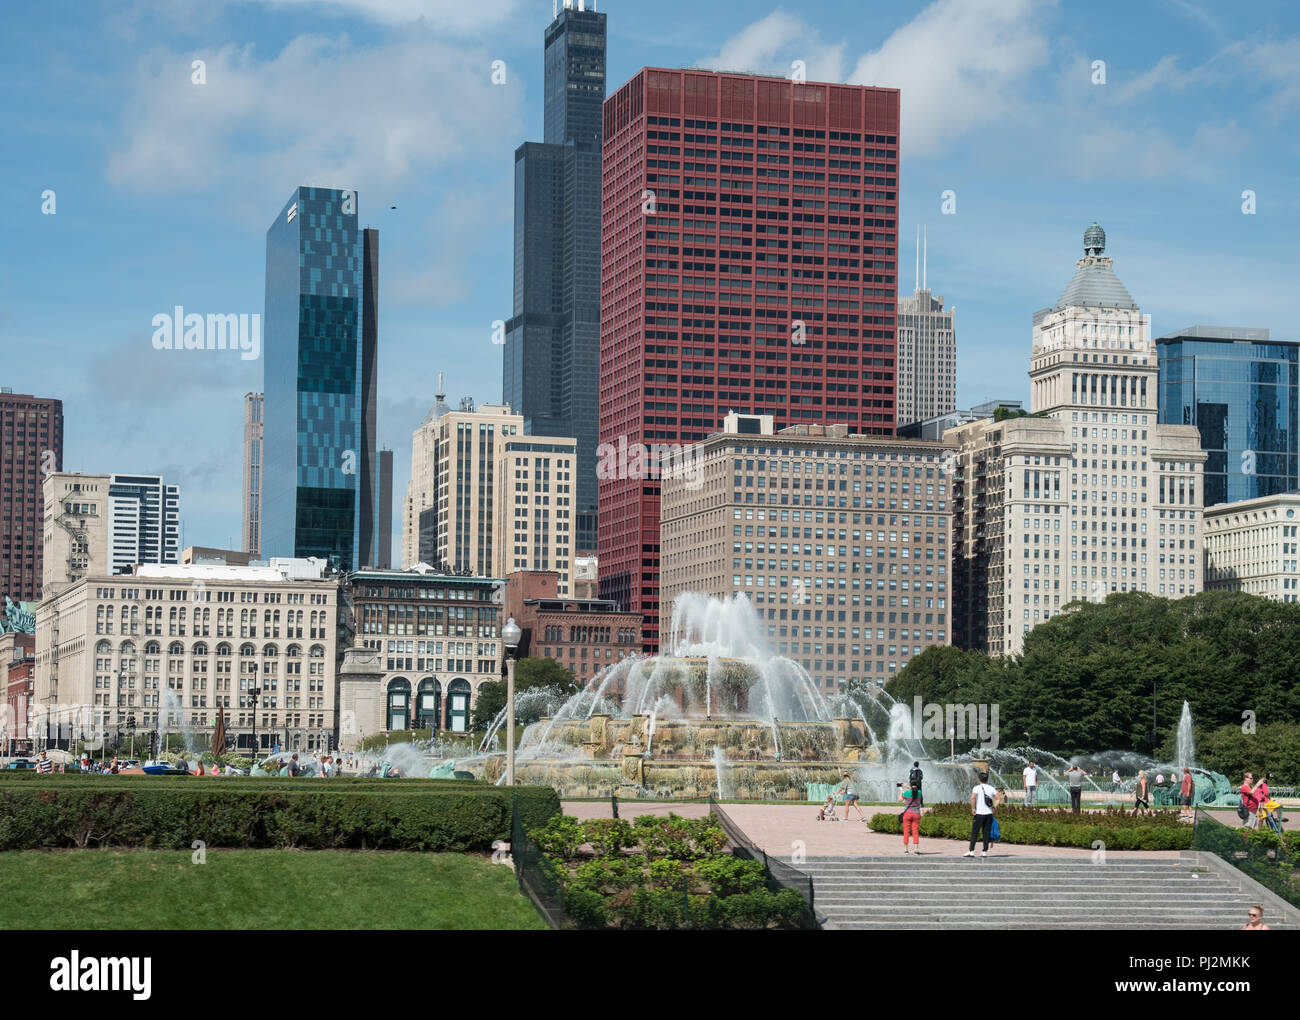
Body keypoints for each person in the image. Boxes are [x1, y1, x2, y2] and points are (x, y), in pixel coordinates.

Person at [964, 772, 1001, 858]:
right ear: (987, 779)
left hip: (979, 813)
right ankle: (984, 851)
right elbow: (998, 798)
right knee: (986, 833)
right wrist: (994, 807)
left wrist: (973, 809)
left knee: (975, 833)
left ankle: (971, 851)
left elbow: (972, 798)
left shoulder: (976, 788)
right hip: (988, 814)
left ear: (979, 779)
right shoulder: (991, 788)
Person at [899, 781, 923, 854]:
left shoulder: (906, 793)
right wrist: (906, 786)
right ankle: (916, 850)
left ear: (911, 785)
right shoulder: (919, 792)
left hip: (907, 814)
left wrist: (901, 791)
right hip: (916, 814)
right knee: (915, 832)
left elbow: (900, 800)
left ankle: (906, 850)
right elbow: (914, 790)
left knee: (906, 831)